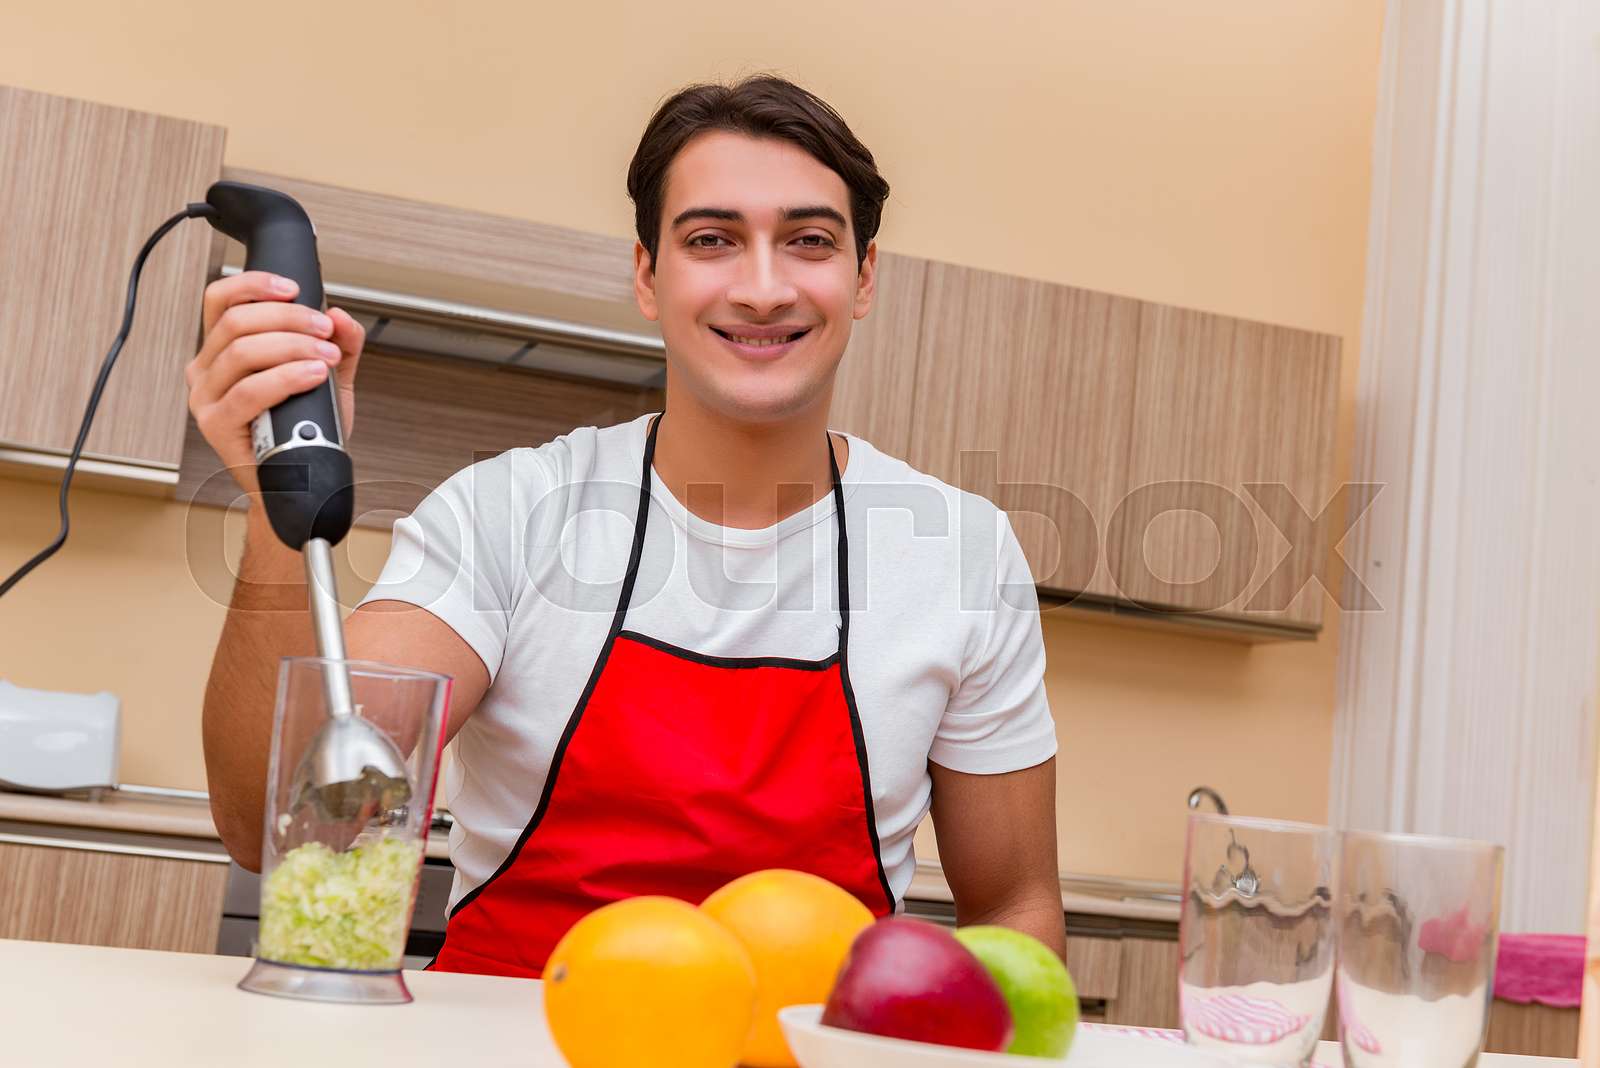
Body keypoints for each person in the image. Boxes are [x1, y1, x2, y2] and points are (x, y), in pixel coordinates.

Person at [191, 74, 1065, 978]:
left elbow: (1013, 903)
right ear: (649, 277)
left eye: (808, 241)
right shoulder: (511, 513)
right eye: (712, 240)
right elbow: (274, 820)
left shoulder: (958, 550)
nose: (763, 289)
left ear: (863, 277)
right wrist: (271, 503)